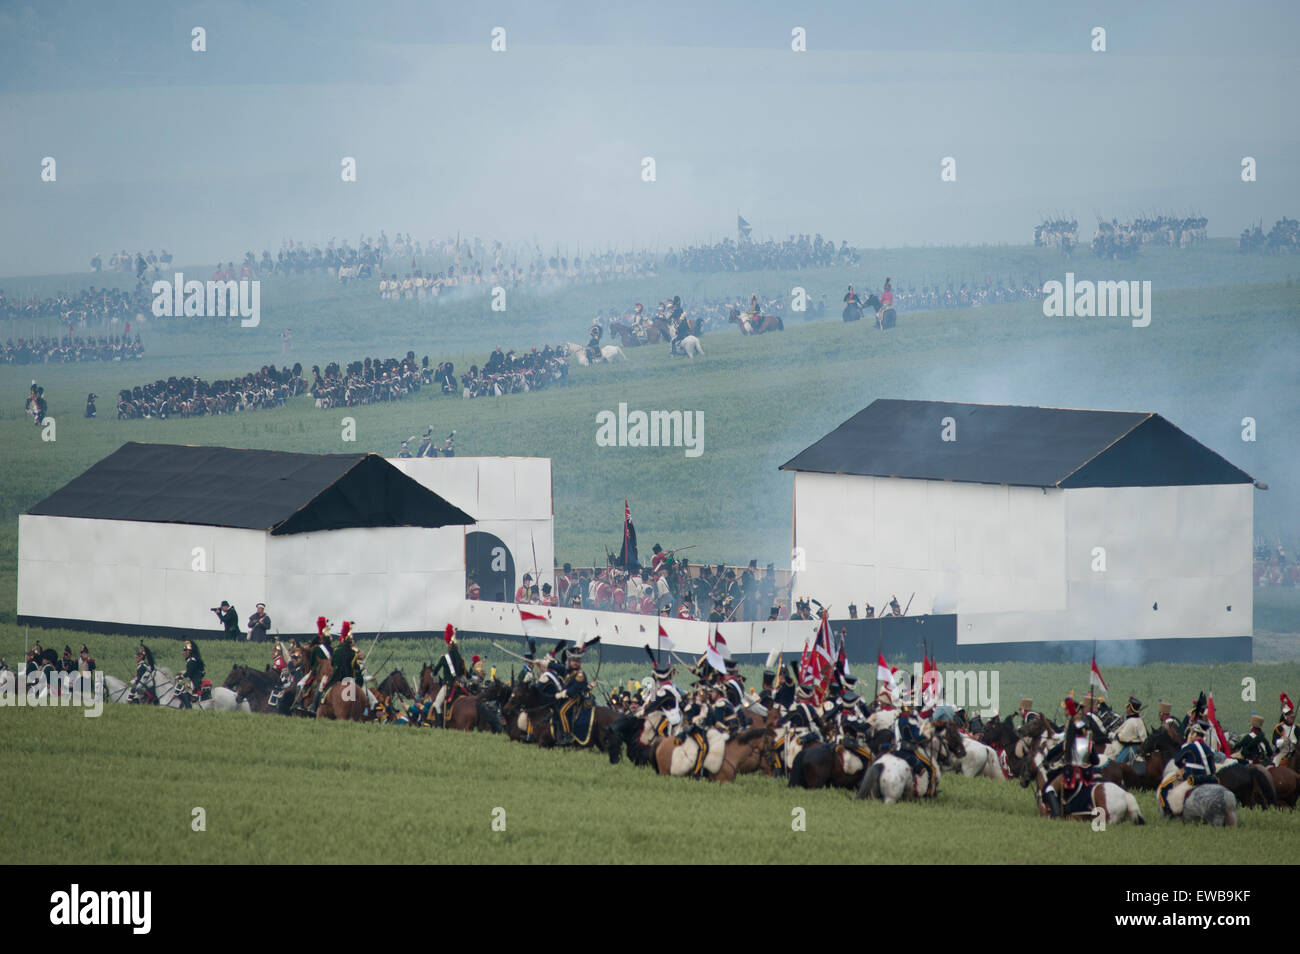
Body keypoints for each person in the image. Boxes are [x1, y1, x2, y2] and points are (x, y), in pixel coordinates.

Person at [1159, 722, 1218, 818]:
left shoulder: (1189, 747)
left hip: (1191, 777)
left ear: (1194, 734)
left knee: (1164, 787)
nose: (1190, 735)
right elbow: (1213, 769)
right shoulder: (1208, 749)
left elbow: (1177, 760)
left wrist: (1182, 769)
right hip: (1207, 778)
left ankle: (1168, 813)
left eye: (1191, 733)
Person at [894, 700, 937, 796]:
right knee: (932, 769)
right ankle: (929, 794)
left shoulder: (897, 719)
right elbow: (916, 738)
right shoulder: (910, 721)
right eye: (911, 708)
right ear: (906, 708)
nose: (912, 710)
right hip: (908, 749)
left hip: (896, 748)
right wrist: (927, 734)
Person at [431, 624, 467, 727]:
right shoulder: (461, 659)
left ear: (448, 646)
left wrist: (437, 679)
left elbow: (434, 673)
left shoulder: (444, 658)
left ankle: (439, 724)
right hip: (460, 687)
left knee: (437, 704)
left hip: (448, 687)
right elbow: (466, 674)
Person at [1106, 696, 1147, 763]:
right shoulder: (1135, 720)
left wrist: (1113, 735)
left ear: (1131, 709)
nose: (1126, 708)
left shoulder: (1132, 722)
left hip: (1132, 747)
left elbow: (1123, 738)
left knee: (1117, 763)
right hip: (1130, 745)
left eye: (1127, 707)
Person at [178, 640, 206, 709]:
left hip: (194, 682)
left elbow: (188, 673)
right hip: (195, 680)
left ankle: (188, 707)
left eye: (184, 652)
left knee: (183, 692)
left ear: (189, 652)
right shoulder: (193, 660)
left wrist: (181, 676)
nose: (183, 653)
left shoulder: (191, 661)